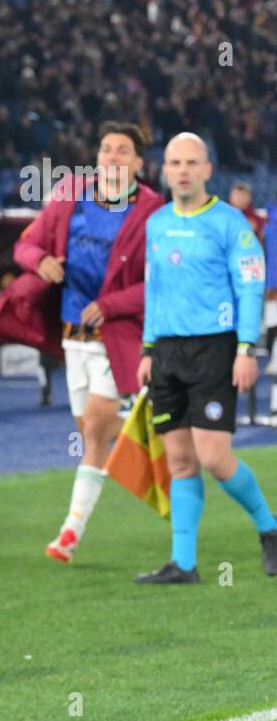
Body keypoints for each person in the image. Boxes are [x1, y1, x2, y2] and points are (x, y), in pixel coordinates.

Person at [0, 122, 164, 563]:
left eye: (124, 151)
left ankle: (69, 532)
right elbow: (26, 247)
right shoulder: (70, 192)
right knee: (90, 431)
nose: (113, 157)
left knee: (95, 433)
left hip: (116, 338)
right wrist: (43, 260)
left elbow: (160, 281)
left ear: (139, 164)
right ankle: (151, 443)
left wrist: (112, 304)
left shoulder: (153, 211)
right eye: (107, 149)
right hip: (72, 339)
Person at [135, 133, 277, 583]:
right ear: (165, 169)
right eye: (174, 162)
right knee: (179, 460)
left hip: (215, 348)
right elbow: (153, 291)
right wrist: (148, 347)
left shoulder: (231, 223)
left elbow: (251, 288)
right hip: (168, 353)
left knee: (214, 457)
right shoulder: (156, 224)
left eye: (191, 162)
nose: (181, 170)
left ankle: (270, 529)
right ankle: (184, 563)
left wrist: (246, 349)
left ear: (207, 170)